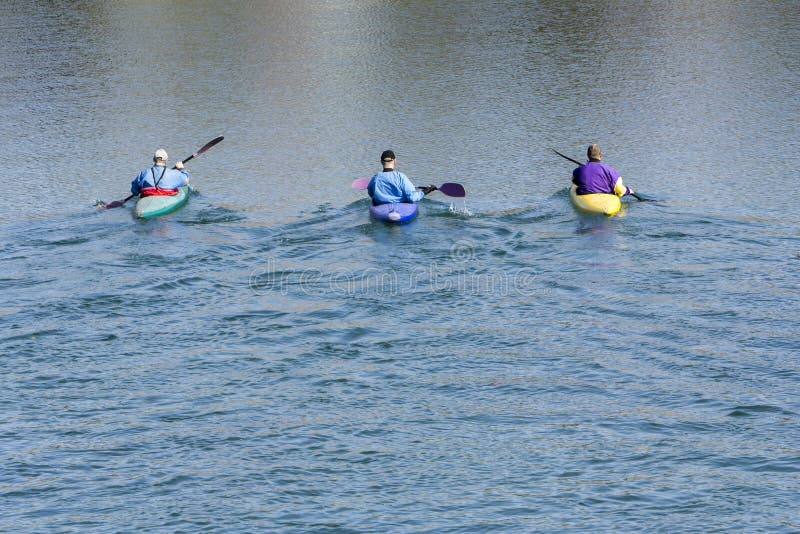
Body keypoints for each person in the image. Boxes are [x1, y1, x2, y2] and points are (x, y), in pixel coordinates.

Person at [367, 150, 436, 205]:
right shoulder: (401, 177)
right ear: (395, 161)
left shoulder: (376, 177)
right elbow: (412, 197)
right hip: (400, 207)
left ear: (381, 162)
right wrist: (426, 191)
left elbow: (371, 193)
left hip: (381, 206)